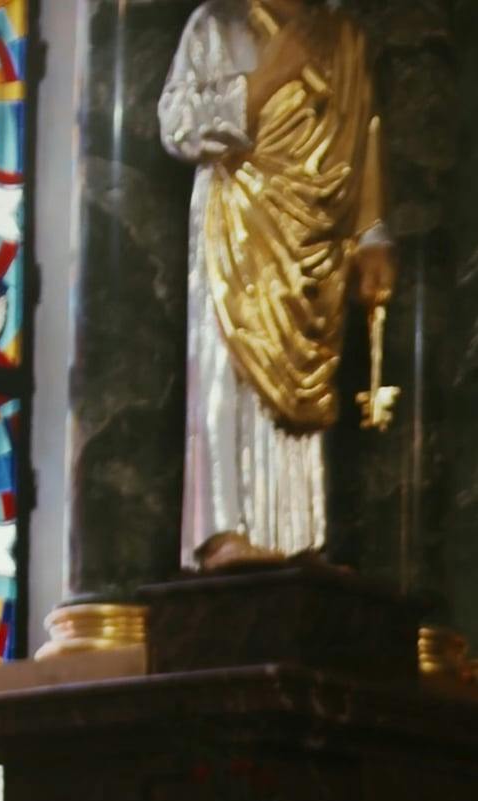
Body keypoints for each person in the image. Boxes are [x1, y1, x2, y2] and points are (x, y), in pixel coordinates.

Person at [160, 0, 394, 569]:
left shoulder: (343, 37)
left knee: (301, 384)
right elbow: (176, 125)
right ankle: (222, 532)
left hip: (314, 242)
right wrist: (260, 83)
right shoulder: (217, 24)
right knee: (229, 371)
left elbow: (362, 134)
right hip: (236, 228)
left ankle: (295, 538)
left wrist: (371, 235)